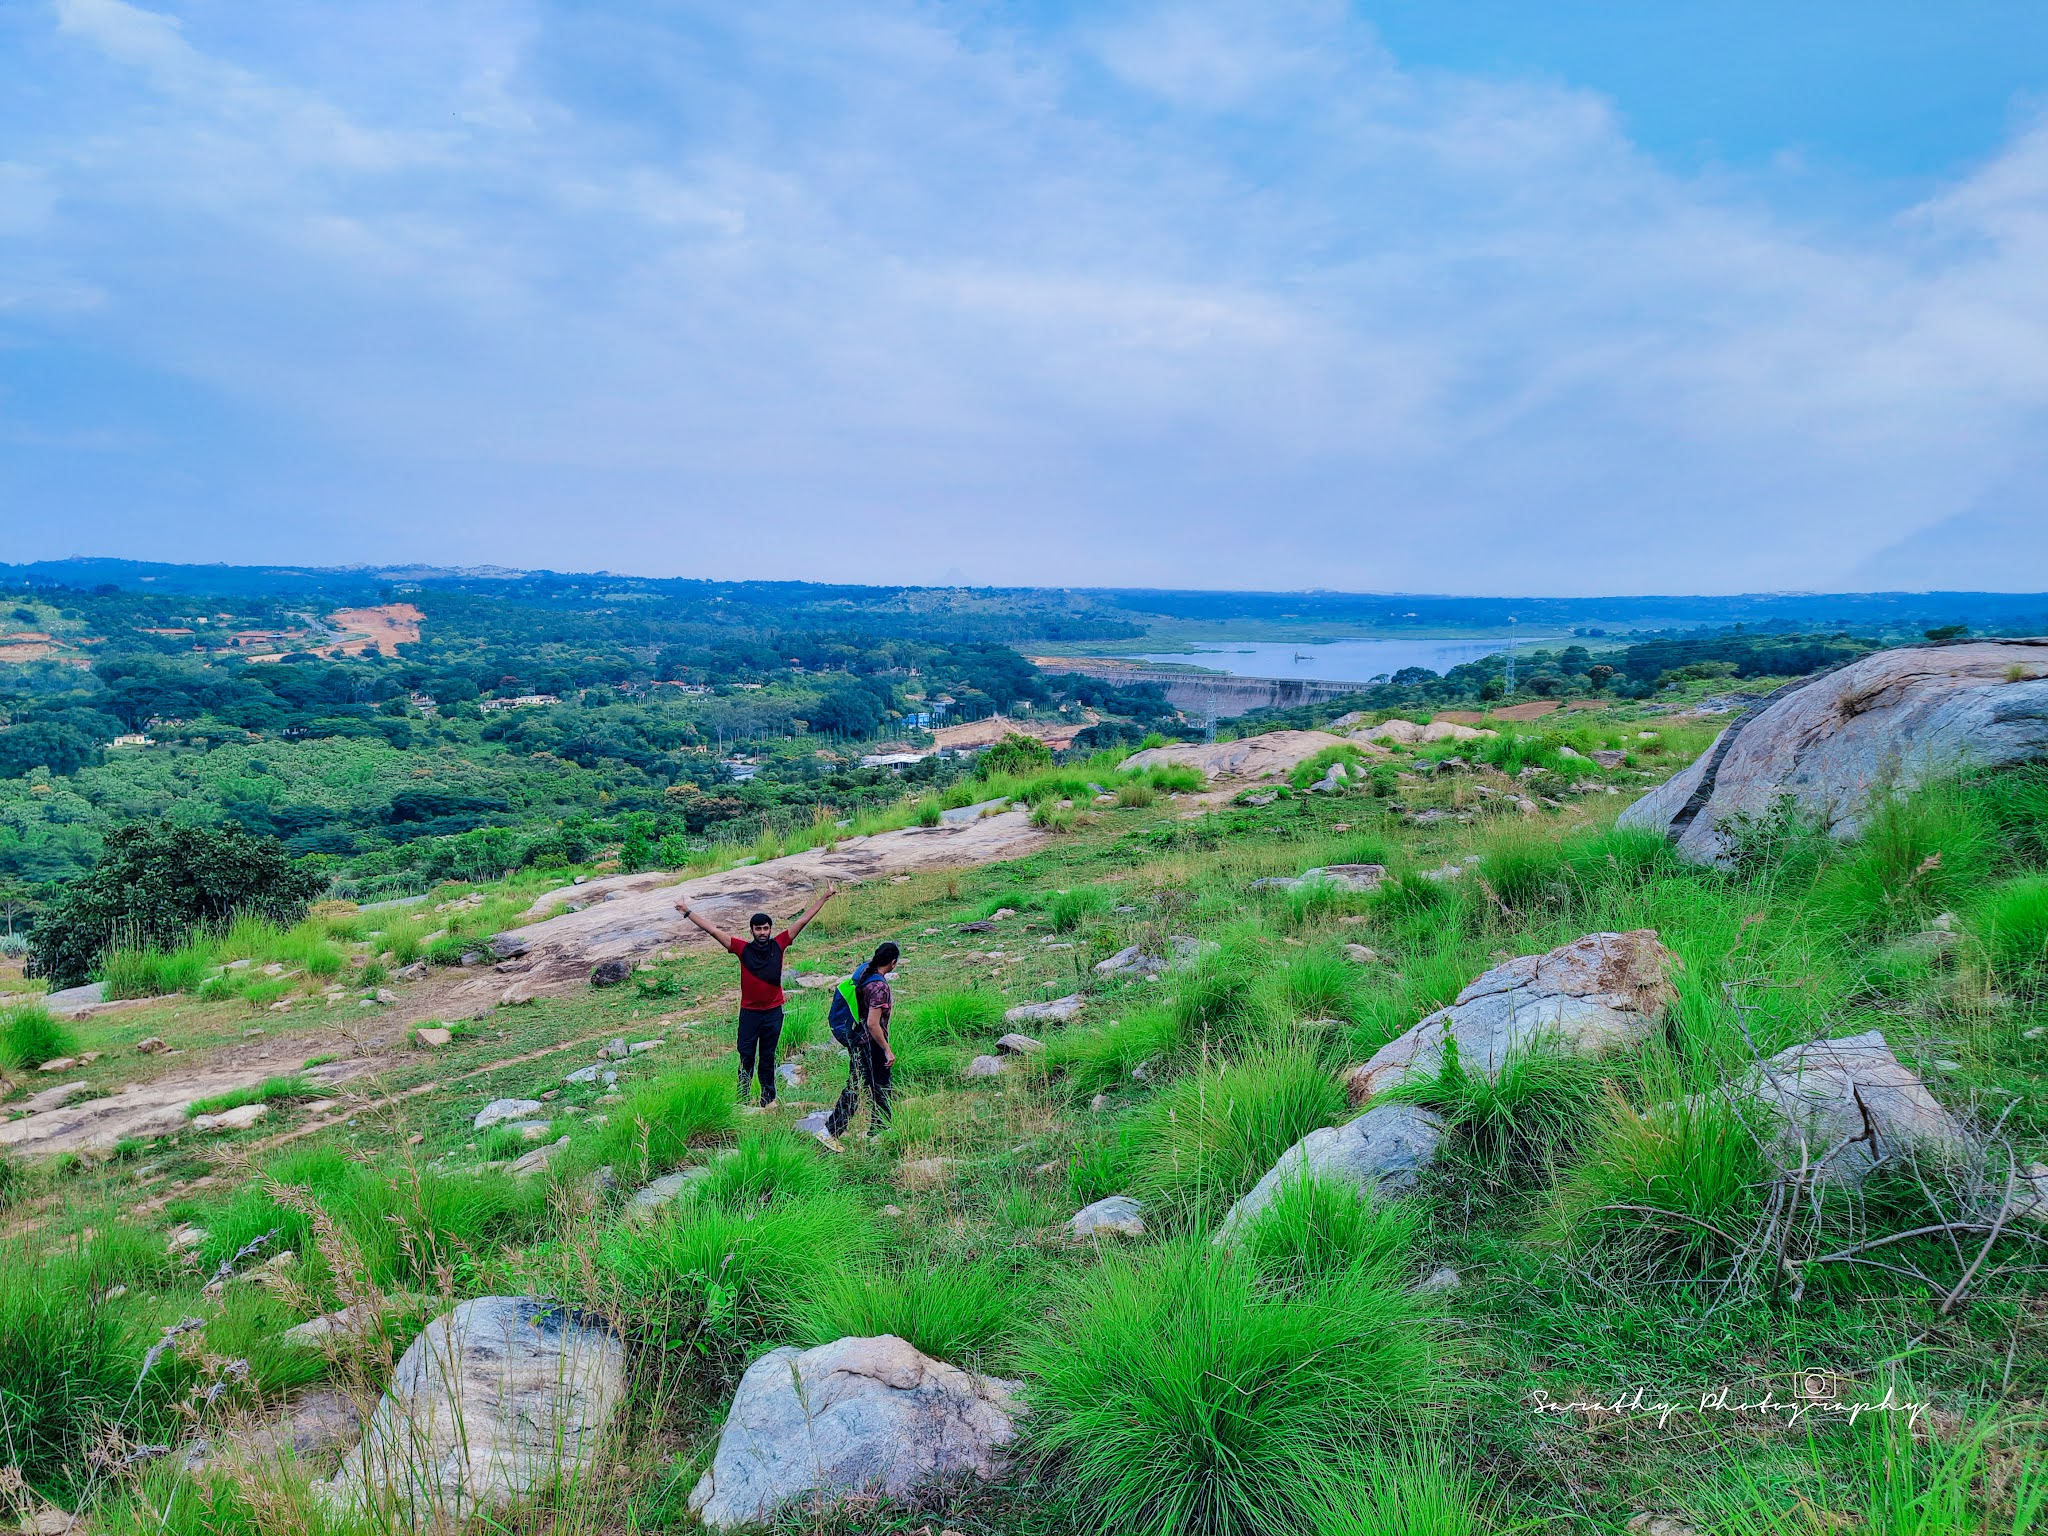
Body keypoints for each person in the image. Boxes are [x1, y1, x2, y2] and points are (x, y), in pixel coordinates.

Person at [675, 882, 836, 1108]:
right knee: (746, 1057)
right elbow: (713, 930)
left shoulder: (779, 944)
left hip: (773, 1013)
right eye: (758, 929)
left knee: (768, 1058)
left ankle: (768, 1100)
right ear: (751, 930)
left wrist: (825, 897)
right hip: (749, 1014)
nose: (762, 932)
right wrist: (687, 912)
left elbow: (803, 920)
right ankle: (742, 1099)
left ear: (770, 929)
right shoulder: (742, 949)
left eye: (766, 928)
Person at [823, 940, 899, 1143]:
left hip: (857, 1039)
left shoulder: (865, 974)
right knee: (879, 1087)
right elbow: (874, 1024)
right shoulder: (879, 986)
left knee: (857, 1085)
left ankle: (834, 1130)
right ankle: (875, 1131)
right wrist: (887, 1049)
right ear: (893, 963)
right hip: (871, 1043)